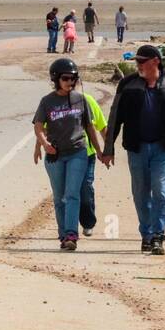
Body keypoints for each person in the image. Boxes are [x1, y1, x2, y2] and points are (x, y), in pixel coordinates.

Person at [100, 44, 165, 255]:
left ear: (155, 61)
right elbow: (115, 118)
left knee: (160, 191)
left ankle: (158, 236)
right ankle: (147, 234)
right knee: (141, 193)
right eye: (137, 61)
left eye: (142, 61)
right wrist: (108, 149)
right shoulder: (127, 84)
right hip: (136, 148)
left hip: (163, 148)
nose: (138, 65)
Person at [33, 58, 102, 251]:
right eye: (65, 78)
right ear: (56, 79)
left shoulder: (81, 100)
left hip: (77, 153)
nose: (70, 82)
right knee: (59, 197)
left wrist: (100, 152)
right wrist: (43, 144)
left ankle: (72, 233)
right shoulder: (47, 102)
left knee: (72, 194)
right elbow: (38, 127)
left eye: (73, 78)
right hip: (55, 155)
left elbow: (90, 127)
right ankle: (63, 235)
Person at [38, 89, 108, 237]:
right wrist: (38, 147)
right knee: (68, 193)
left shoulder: (86, 100)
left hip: (86, 154)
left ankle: (87, 222)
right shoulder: (53, 103)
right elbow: (44, 129)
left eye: (72, 78)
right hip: (63, 154)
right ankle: (67, 232)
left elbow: (101, 126)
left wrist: (107, 150)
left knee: (85, 189)